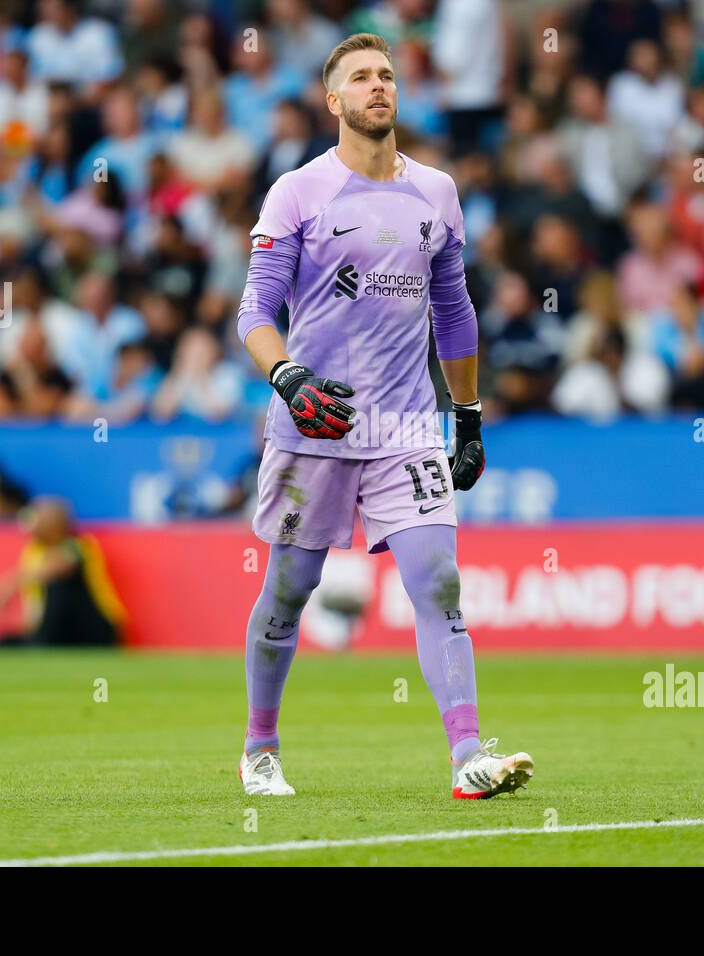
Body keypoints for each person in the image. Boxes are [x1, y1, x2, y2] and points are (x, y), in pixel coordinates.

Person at [232, 33, 533, 799]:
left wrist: (465, 415)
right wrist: (289, 378)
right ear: (333, 101)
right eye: (361, 78)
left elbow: (454, 311)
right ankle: (260, 747)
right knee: (290, 591)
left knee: (436, 583)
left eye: (388, 76)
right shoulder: (297, 192)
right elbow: (255, 312)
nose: (379, 87)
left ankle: (468, 755)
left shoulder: (437, 191)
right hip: (317, 424)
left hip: (406, 426)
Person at [0, 498, 125, 648]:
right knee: (5, 642)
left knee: (59, 587)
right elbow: (35, 604)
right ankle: (41, 643)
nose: (30, 523)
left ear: (54, 523)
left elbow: (59, 566)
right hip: (59, 633)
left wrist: (13, 583)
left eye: (36, 517)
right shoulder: (34, 553)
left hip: (95, 629)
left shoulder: (80, 546)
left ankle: (43, 642)